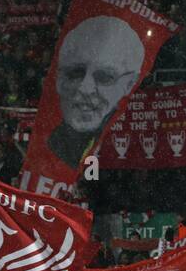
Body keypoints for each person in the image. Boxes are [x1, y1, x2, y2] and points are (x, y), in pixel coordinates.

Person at [47, 15, 145, 168]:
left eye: (104, 76)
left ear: (129, 84)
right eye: (75, 72)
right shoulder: (47, 145)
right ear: (58, 77)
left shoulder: (131, 148)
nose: (85, 88)